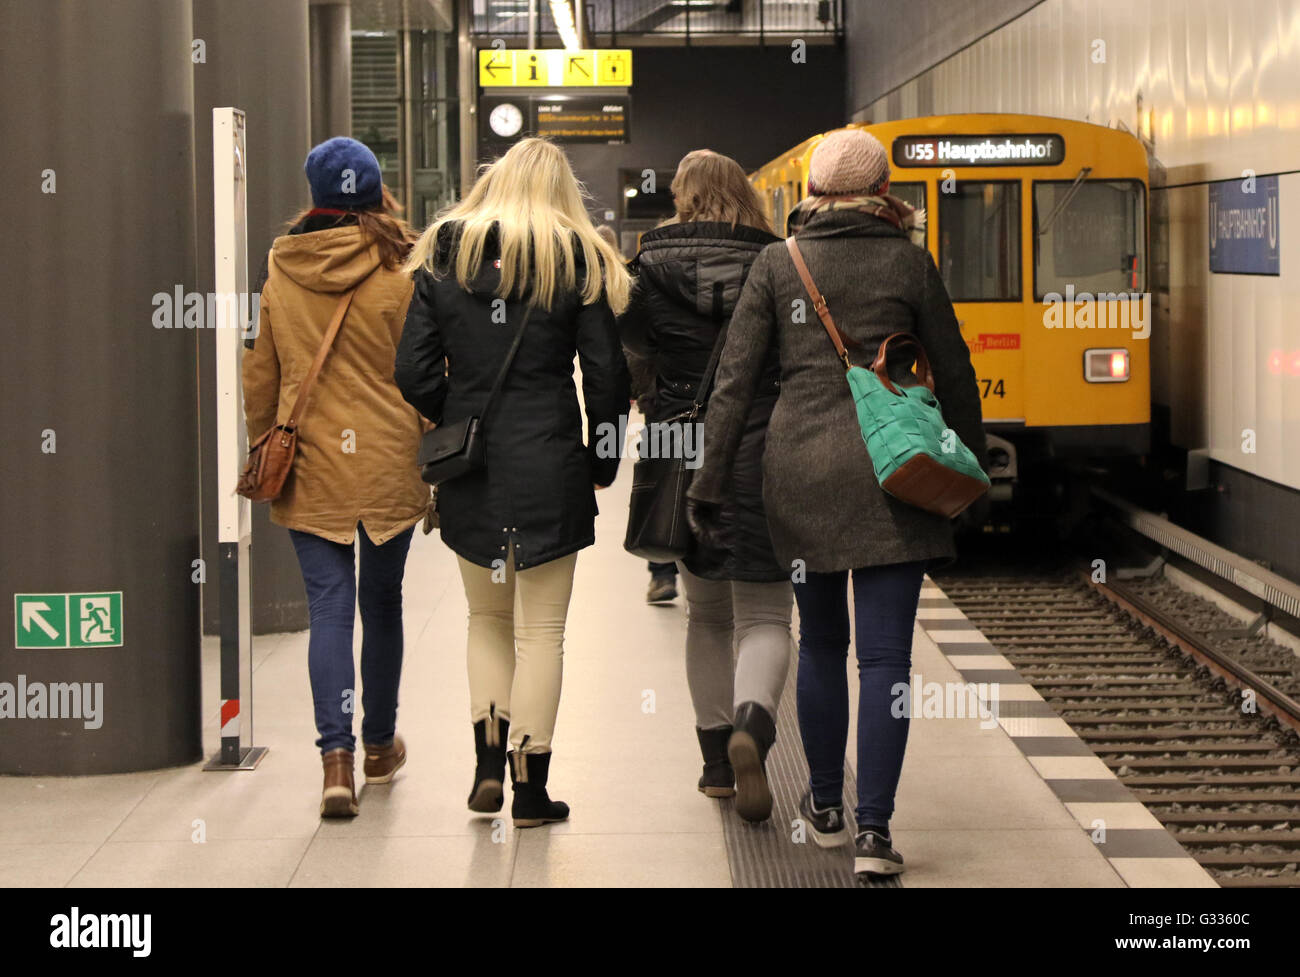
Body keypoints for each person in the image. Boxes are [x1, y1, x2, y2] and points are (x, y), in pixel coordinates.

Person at [686, 129, 987, 876]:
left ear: (813, 194)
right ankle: (876, 835)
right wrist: (967, 472)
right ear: (885, 194)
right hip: (900, 474)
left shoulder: (777, 262)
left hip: (801, 475)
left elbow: (734, 384)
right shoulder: (909, 262)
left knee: (822, 641)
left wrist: (707, 482)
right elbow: (956, 370)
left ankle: (824, 806)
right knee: (886, 656)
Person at [395, 138, 631, 828]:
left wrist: (458, 412)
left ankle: (484, 769)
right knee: (543, 632)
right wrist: (603, 456)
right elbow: (608, 376)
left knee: (487, 620)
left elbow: (410, 372)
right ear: (560, 191)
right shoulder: (574, 256)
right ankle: (531, 789)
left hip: (472, 470)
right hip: (551, 463)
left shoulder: (445, 253)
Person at [242, 136, 427, 818]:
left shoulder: (281, 270)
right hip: (387, 461)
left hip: (311, 461)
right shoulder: (402, 272)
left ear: (315, 194)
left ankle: (335, 763)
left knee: (328, 609)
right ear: (376, 190)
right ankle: (379, 744)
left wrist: (267, 437)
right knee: (382, 606)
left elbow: (260, 375)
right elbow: (425, 374)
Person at [620, 150, 792, 822]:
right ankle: (754, 722)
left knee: (709, 614)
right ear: (746, 195)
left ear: (682, 198)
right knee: (766, 615)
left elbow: (631, 354)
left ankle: (718, 763)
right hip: (762, 444)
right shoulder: (780, 262)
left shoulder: (648, 267)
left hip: (679, 446)